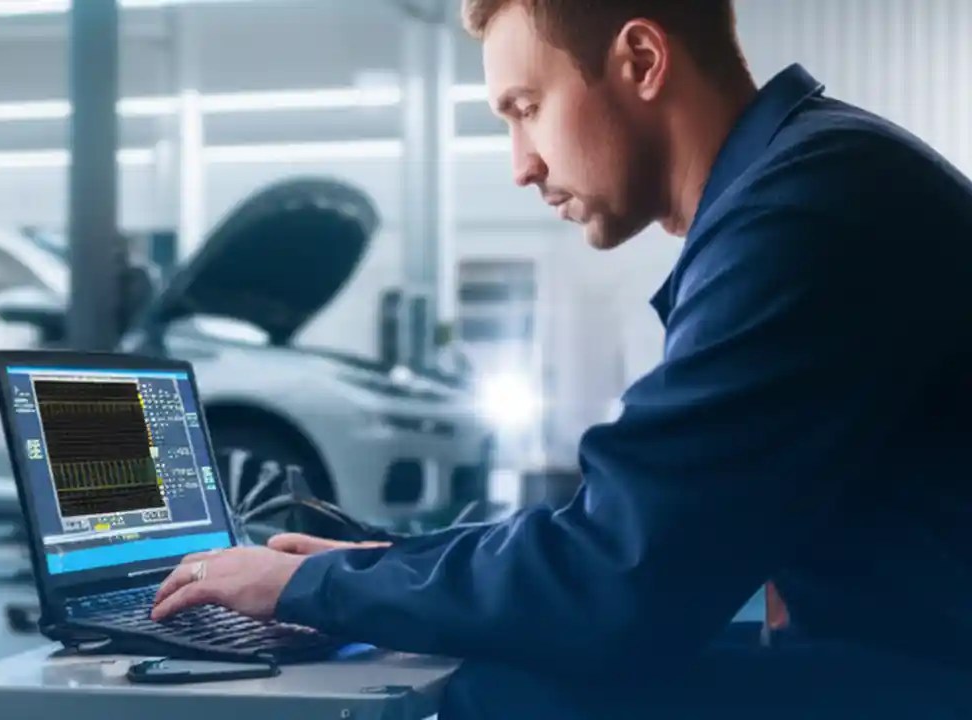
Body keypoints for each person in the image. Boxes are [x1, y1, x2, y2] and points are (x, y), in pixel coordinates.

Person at [152, 0, 972, 716]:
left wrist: (314, 590)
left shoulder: (805, 214)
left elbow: (613, 582)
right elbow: (628, 533)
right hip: (912, 667)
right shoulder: (816, 176)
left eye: (526, 106)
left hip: (928, 687)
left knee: (507, 694)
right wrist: (381, 565)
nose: (522, 163)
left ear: (641, 61)